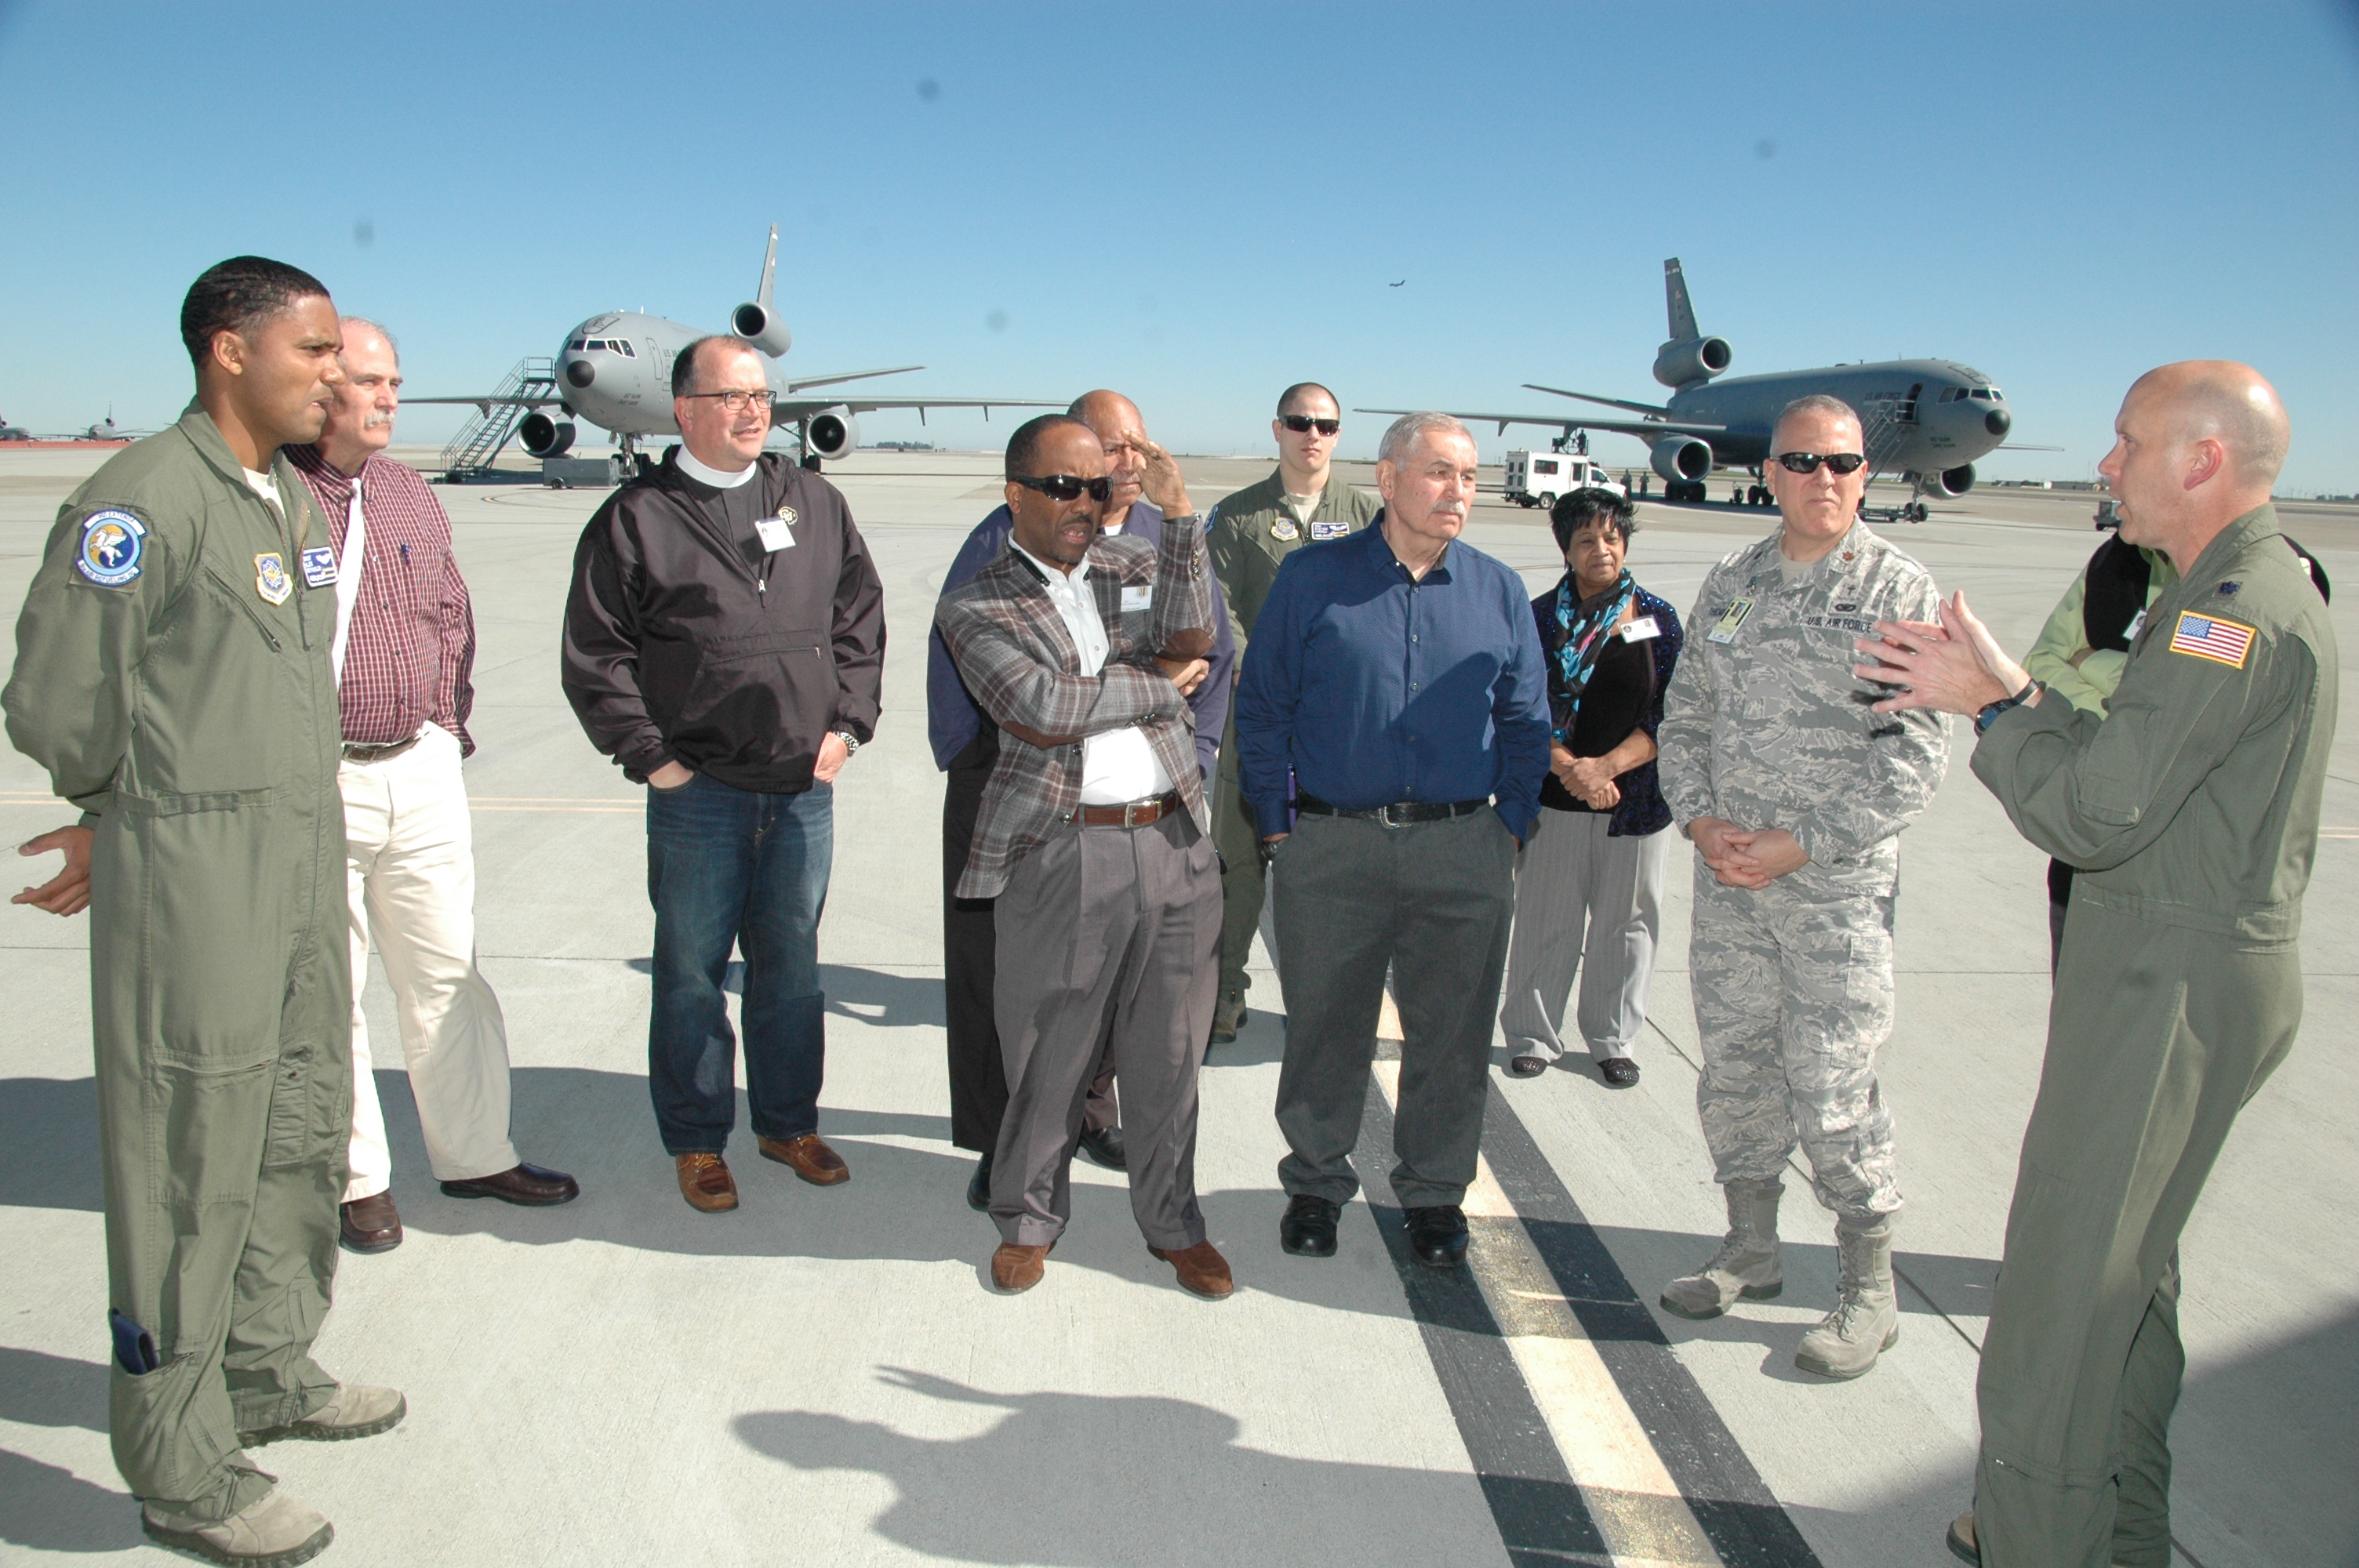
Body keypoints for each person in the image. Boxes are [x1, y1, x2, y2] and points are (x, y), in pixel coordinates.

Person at [1854, 363, 2335, 1568]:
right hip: (2179, 966)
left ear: (2203, 461)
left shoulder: (2230, 611)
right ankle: (2114, 1533)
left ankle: (2036, 1538)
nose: (2107, 465)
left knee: (2062, 1303)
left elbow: (2098, 814)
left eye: (2127, 445)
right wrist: (2010, 688)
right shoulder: (2224, 589)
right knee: (2128, 1283)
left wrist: (1995, 711)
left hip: (2161, 984)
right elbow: (2135, 768)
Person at [5, 257, 404, 1566]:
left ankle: (262, 1370)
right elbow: (62, 700)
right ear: (229, 352)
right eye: (312, 352)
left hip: (294, 869)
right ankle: (180, 1465)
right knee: (185, 1165)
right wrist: (125, 813)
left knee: (293, 1125)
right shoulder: (140, 504)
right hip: (195, 885)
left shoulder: (282, 498)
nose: (335, 377)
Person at [1652, 394, 1947, 1381]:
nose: (1825, 479)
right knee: (1734, 1065)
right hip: (1729, 881)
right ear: (1768, 471)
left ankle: (1869, 1287)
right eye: (1803, 461)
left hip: (1832, 896)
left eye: (1844, 463)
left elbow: (1911, 759)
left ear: (1866, 474)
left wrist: (1796, 844)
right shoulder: (1731, 580)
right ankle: (1750, 1246)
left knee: (1831, 1083)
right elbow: (1685, 712)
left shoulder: (1895, 590)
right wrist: (1697, 820)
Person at [562, 335, 885, 1214]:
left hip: (800, 789)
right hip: (696, 792)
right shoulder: (638, 518)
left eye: (760, 395)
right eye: (731, 395)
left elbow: (859, 613)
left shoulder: (811, 500)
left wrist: (850, 721)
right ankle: (698, 1139)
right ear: (684, 409)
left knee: (792, 970)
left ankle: (786, 1121)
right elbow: (595, 655)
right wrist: (651, 757)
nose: (754, 410)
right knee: (693, 974)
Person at [285, 318, 578, 1256]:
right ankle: (356, 1180)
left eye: (395, 383)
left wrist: (446, 729)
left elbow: (450, 611)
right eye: (369, 381)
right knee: (326, 987)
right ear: (319, 384)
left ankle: (475, 1152)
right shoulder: (268, 494)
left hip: (417, 765)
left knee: (449, 972)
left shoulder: (408, 491)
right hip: (312, 775)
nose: (387, 399)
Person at [1235, 412, 1550, 1269]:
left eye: (1470, 477)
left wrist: (1509, 825)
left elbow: (1526, 719)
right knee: (1324, 1026)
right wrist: (1275, 821)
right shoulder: (1312, 580)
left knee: (1450, 1034)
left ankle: (1434, 1193)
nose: (1459, 492)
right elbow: (1261, 706)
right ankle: (1313, 1181)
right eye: (1441, 472)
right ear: (1388, 478)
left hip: (1462, 846)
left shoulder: (1496, 591)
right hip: (1331, 846)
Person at [935, 414, 1228, 1298]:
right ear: (1014, 492)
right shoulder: (977, 602)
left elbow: (1193, 638)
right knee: (1048, 1047)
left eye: (1095, 488)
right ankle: (1026, 1219)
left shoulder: (1129, 565)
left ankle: (1173, 1222)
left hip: (1172, 840)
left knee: (1171, 1050)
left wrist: (1178, 526)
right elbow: (1037, 704)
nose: (1080, 504)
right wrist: (1156, 691)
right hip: (1062, 850)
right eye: (1061, 487)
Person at [2024, 527, 2327, 970]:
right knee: (2080, 1014)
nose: (2107, 468)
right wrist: (2127, 707)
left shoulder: (2252, 582)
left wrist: (2092, 664)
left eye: (2131, 451)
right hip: (2087, 844)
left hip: (2185, 883)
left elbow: (2199, 692)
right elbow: (2042, 663)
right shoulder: (2115, 562)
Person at [1203, 383, 1379, 1043]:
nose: (1314, 435)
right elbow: (1219, 612)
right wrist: (1266, 677)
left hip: (1338, 730)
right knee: (1237, 863)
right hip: (1257, 722)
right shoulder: (1238, 517)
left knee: (1331, 870)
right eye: (1301, 423)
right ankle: (1223, 989)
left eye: (1327, 425)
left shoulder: (1368, 516)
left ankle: (1327, 998)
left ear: (1339, 435)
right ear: (1276, 429)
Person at [1497, 488, 1683, 1086]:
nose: (1601, 549)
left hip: (1636, 802)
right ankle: (1532, 1033)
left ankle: (1612, 1037)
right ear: (1566, 548)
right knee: (1546, 918)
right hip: (1556, 793)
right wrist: (1571, 768)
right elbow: (1517, 706)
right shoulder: (1538, 616)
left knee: (1626, 925)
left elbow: (1672, 714)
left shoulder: (1658, 618)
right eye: (1586, 539)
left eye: (1611, 537)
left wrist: (1606, 768)